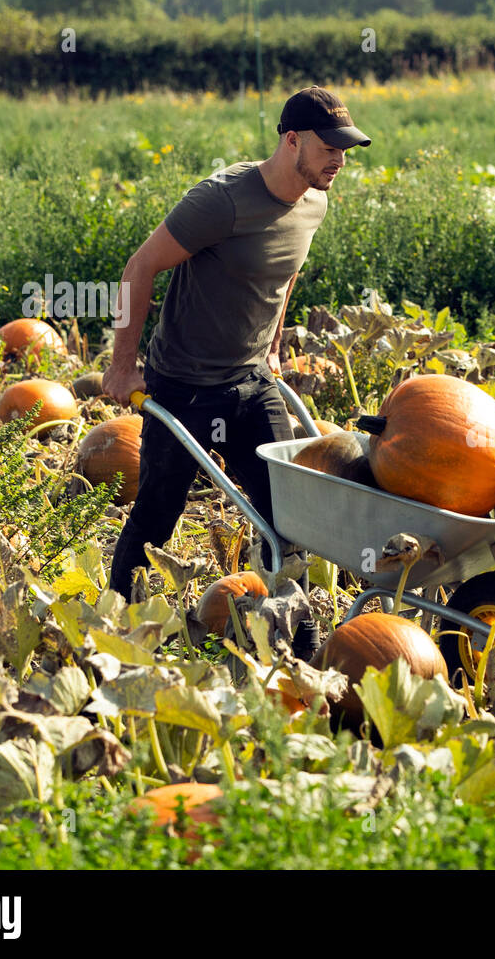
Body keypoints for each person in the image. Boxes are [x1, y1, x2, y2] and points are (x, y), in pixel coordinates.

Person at [102, 86, 371, 601]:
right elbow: (139, 268)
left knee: (287, 508)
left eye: (345, 150)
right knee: (159, 509)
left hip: (251, 381)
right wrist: (121, 367)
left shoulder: (316, 201)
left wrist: (271, 346)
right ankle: (118, 615)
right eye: (329, 147)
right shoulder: (220, 201)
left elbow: (286, 272)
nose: (339, 160)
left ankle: (289, 623)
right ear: (292, 141)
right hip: (184, 385)